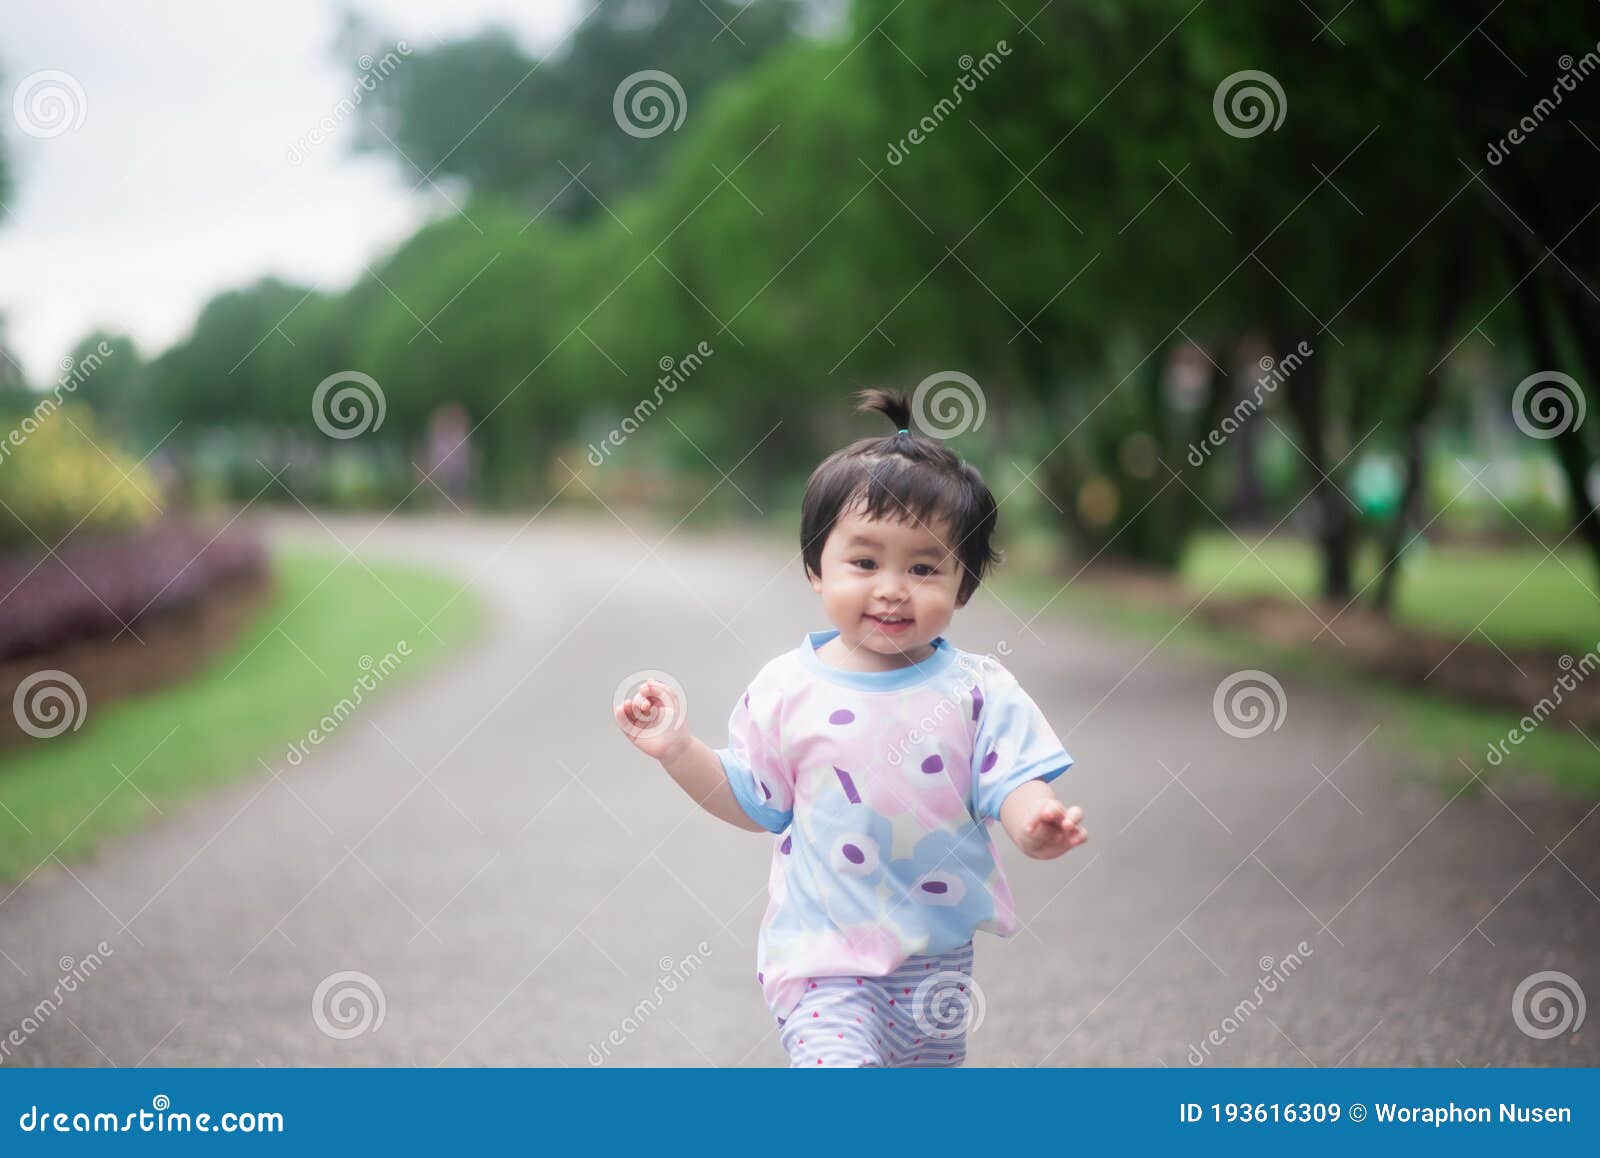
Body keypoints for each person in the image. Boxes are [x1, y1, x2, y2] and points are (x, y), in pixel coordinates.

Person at [614, 387, 1087, 1067]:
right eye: (864, 563)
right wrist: (679, 751)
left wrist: (1035, 821)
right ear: (816, 567)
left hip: (935, 956)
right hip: (820, 955)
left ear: (964, 583)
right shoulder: (788, 688)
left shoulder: (978, 690)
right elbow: (755, 801)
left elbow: (1012, 780)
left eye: (924, 567)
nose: (892, 587)